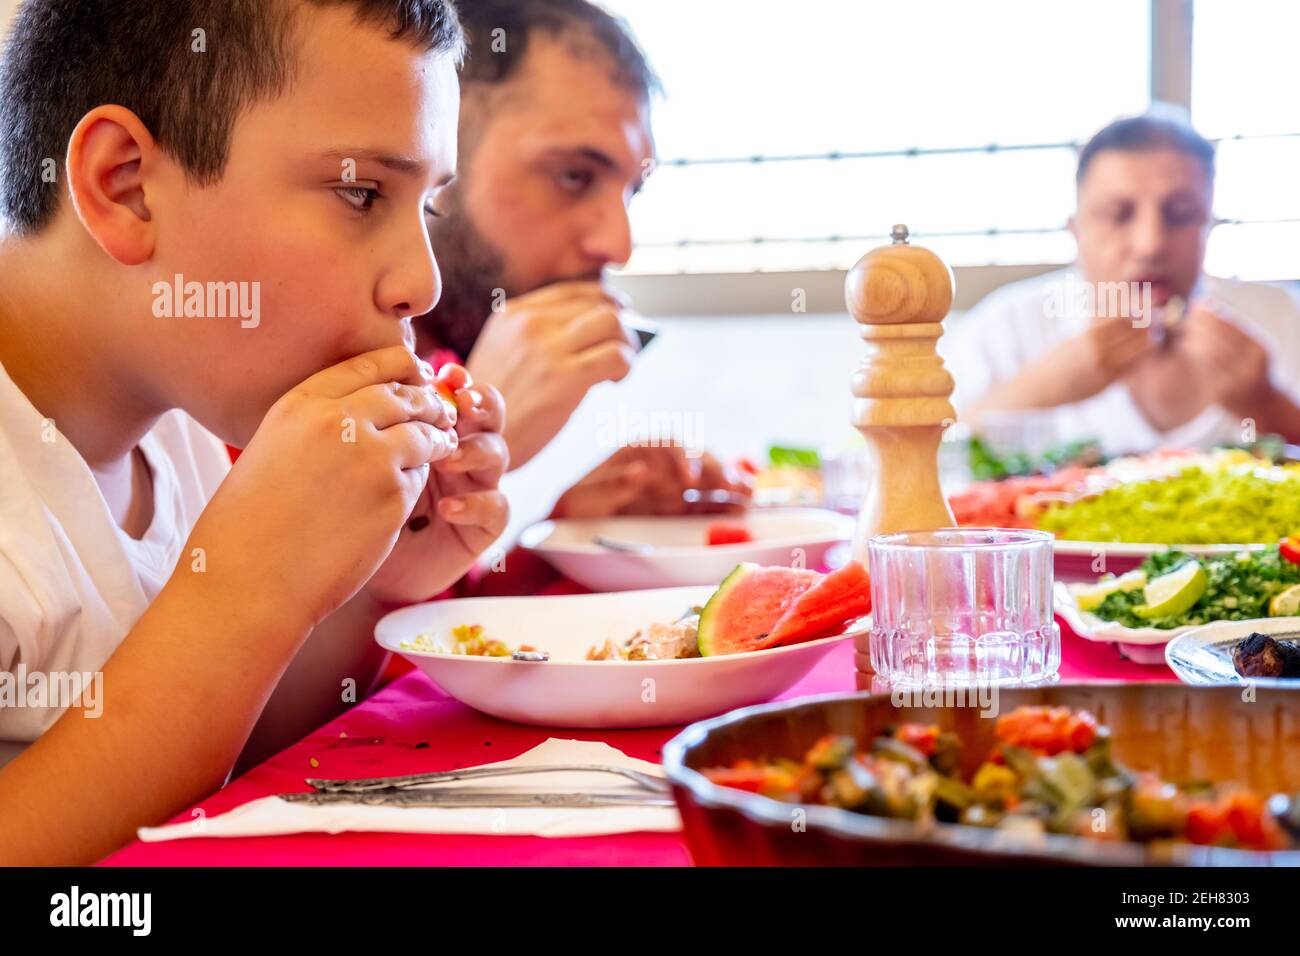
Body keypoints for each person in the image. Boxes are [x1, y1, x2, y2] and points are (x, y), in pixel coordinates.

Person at [0, 0, 508, 864]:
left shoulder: (181, 410)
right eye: (360, 192)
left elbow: (213, 746)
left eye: (427, 208)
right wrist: (241, 593)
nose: (422, 284)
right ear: (125, 184)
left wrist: (369, 588)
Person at [419, 0, 749, 518]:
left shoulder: (440, 360)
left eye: (630, 192)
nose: (619, 245)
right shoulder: (304, 361)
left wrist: (572, 534)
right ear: (433, 142)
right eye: (573, 176)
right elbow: (270, 598)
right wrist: (471, 441)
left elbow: (430, 599)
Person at [944, 112, 1300, 455]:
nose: (1151, 244)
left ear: (1209, 223)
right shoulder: (1003, 330)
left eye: (1180, 215)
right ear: (1076, 229)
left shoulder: (1283, 320)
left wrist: (1269, 405)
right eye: (1118, 215)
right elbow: (927, 464)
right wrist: (1031, 394)